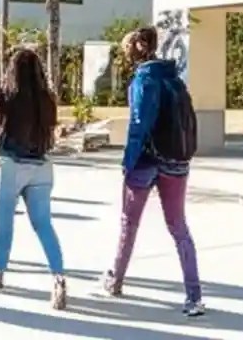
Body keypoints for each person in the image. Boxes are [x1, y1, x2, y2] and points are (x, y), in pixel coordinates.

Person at [102, 27, 204, 317]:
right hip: (177, 163)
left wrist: (128, 161)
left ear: (137, 48)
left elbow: (138, 125)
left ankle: (116, 280)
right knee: (178, 226)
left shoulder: (144, 79)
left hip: (146, 162)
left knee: (129, 223)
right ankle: (194, 295)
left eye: (127, 49)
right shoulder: (174, 78)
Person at [0, 48, 66, 311]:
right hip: (42, 166)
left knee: (4, 222)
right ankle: (58, 277)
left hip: (12, 165)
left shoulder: (7, 97)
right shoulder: (47, 100)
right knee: (44, 225)